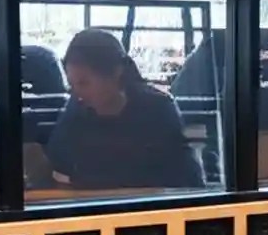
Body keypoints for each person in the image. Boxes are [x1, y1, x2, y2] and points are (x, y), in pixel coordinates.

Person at [46, 29, 204, 191]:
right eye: (71, 86)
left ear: (116, 72)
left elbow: (184, 180)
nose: (77, 94)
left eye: (84, 83)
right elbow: (60, 173)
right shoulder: (75, 111)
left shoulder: (158, 110)